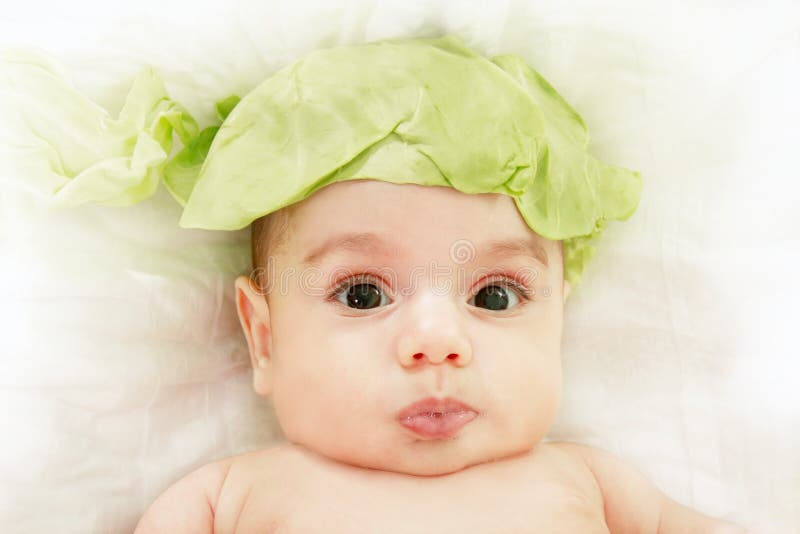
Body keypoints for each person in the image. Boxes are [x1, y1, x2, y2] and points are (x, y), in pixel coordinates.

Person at [1, 32, 748, 532]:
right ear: (264, 340)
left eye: (495, 295)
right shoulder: (228, 495)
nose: (436, 342)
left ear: (559, 320)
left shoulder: (594, 484)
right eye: (362, 294)